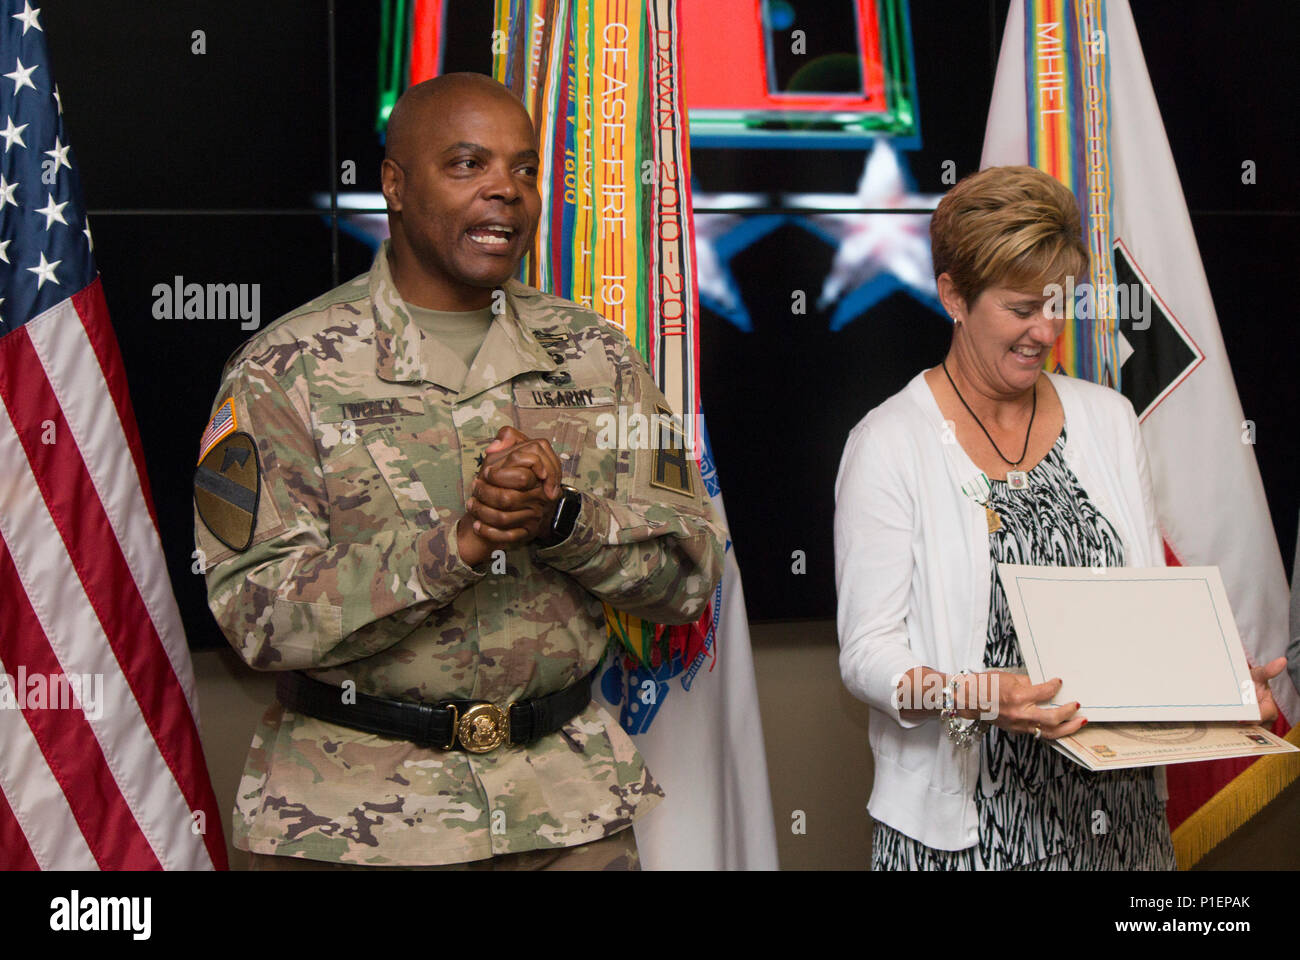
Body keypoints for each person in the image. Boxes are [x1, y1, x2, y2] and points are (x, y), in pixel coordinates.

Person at [192, 73, 724, 870]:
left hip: (567, 818)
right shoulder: (285, 369)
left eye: (523, 169)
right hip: (356, 825)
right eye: (467, 164)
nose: (504, 193)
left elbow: (690, 576)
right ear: (396, 185)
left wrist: (564, 523)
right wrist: (460, 546)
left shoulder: (598, 355)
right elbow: (255, 616)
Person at [832, 165, 1286, 870]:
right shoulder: (889, 445)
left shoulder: (1107, 420)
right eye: (1021, 309)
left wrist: (1221, 690)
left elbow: (1142, 616)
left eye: (1057, 303)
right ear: (953, 293)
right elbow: (867, 660)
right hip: (972, 832)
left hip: (1121, 821)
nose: (1045, 331)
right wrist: (978, 696)